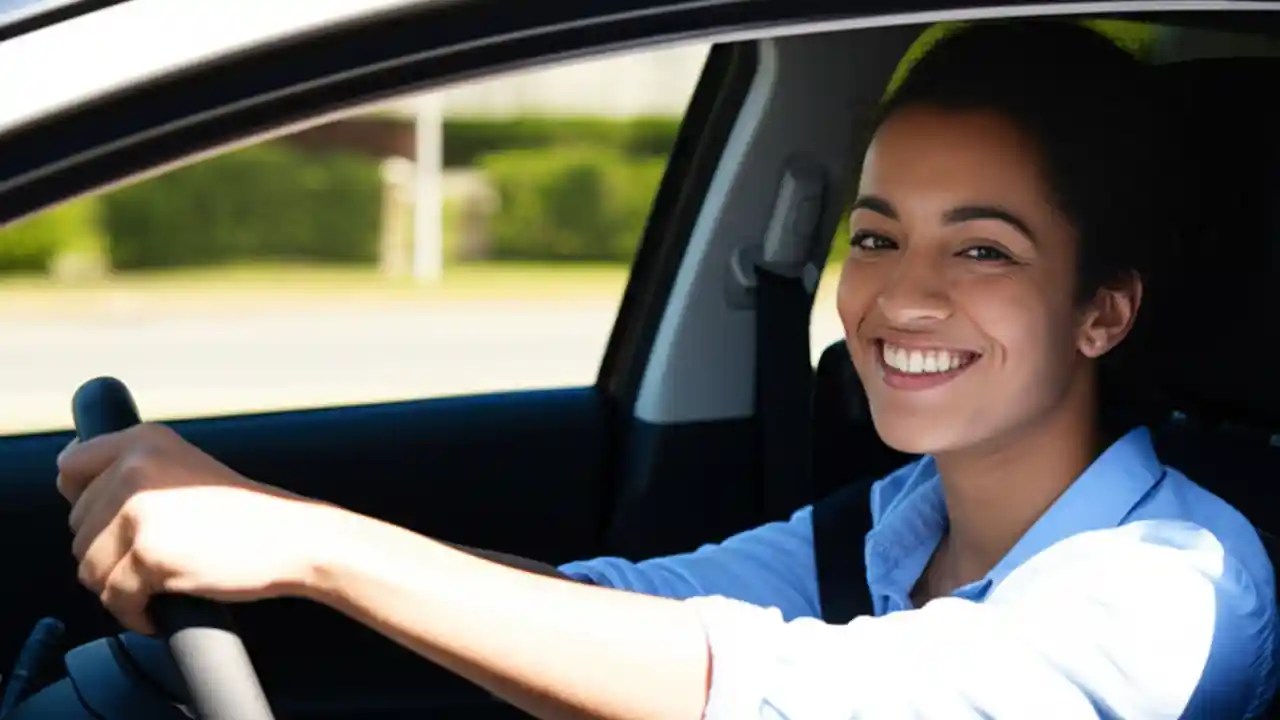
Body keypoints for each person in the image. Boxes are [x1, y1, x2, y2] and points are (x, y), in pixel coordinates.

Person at [55, 20, 1277, 719]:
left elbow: (769, 693)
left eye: (981, 249)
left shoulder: (1168, 584)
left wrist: (313, 548)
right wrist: (273, 532)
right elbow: (619, 611)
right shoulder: (895, 525)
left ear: (1100, 312)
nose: (902, 295)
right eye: (873, 237)